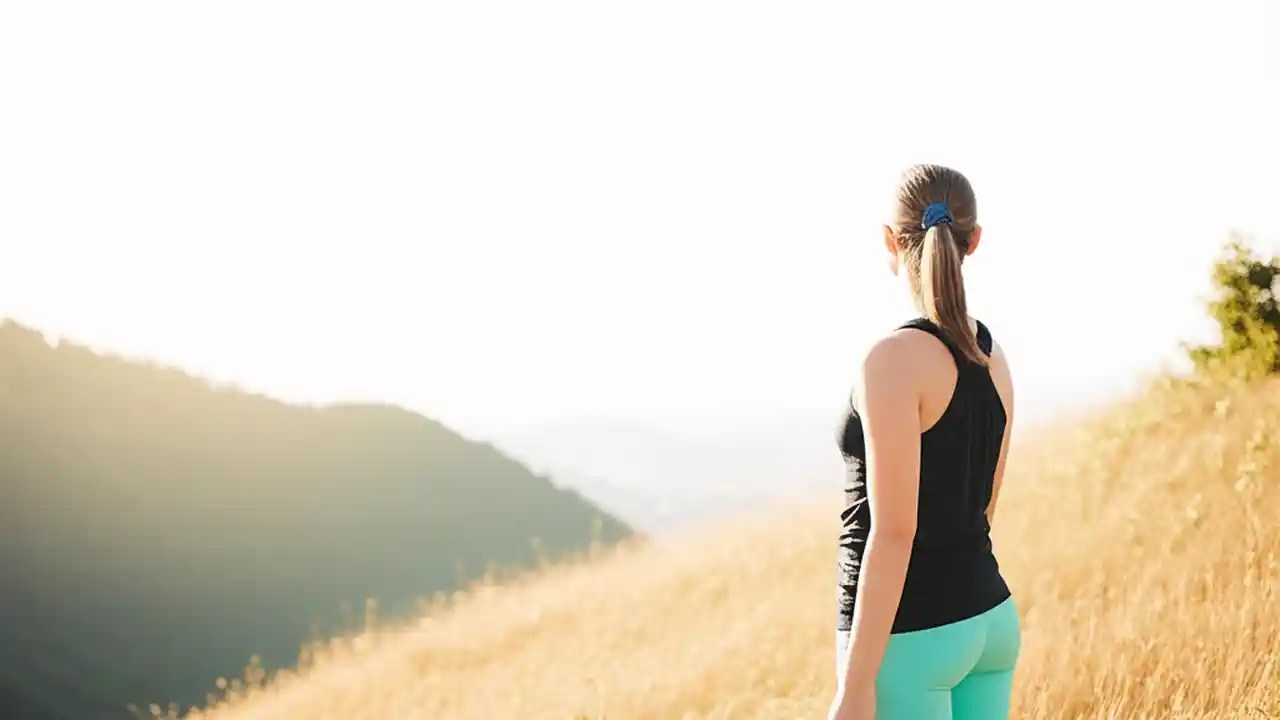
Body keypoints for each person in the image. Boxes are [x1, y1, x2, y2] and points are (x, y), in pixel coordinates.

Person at [829, 164, 1019, 720]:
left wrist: (857, 685)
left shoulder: (890, 361)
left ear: (891, 240)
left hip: (911, 638)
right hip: (989, 621)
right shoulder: (993, 354)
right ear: (973, 241)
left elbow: (894, 531)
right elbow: (985, 504)